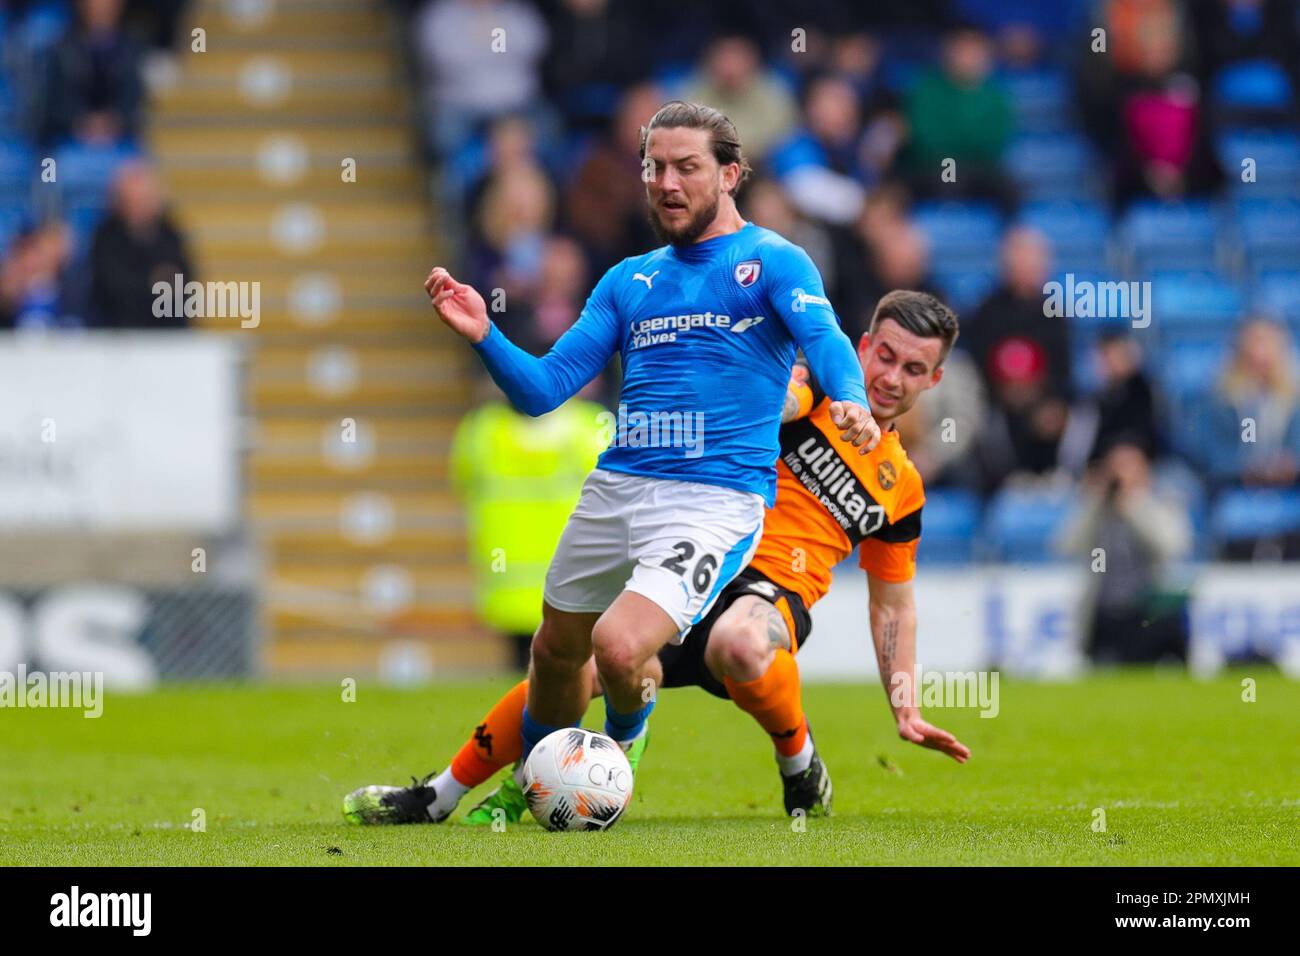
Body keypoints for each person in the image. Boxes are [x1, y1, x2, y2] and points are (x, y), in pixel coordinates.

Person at [345, 100, 880, 822]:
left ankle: (624, 747)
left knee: (620, 649)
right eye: (654, 166)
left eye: (687, 167)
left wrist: (848, 396)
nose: (666, 182)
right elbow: (541, 391)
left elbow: (827, 339)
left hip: (713, 498)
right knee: (555, 653)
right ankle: (488, 793)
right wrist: (484, 334)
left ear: (730, 174)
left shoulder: (774, 262)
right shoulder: (628, 280)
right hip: (619, 484)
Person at [343, 290, 970, 825]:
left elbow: (893, 602)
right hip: (695, 553)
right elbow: (778, 399)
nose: (891, 377)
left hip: (771, 593)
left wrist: (905, 704)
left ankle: (799, 763)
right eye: (884, 356)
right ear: (861, 347)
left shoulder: (902, 489)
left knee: (742, 645)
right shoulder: (816, 391)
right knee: (572, 669)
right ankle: (437, 798)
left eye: (913, 369)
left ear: (934, 379)